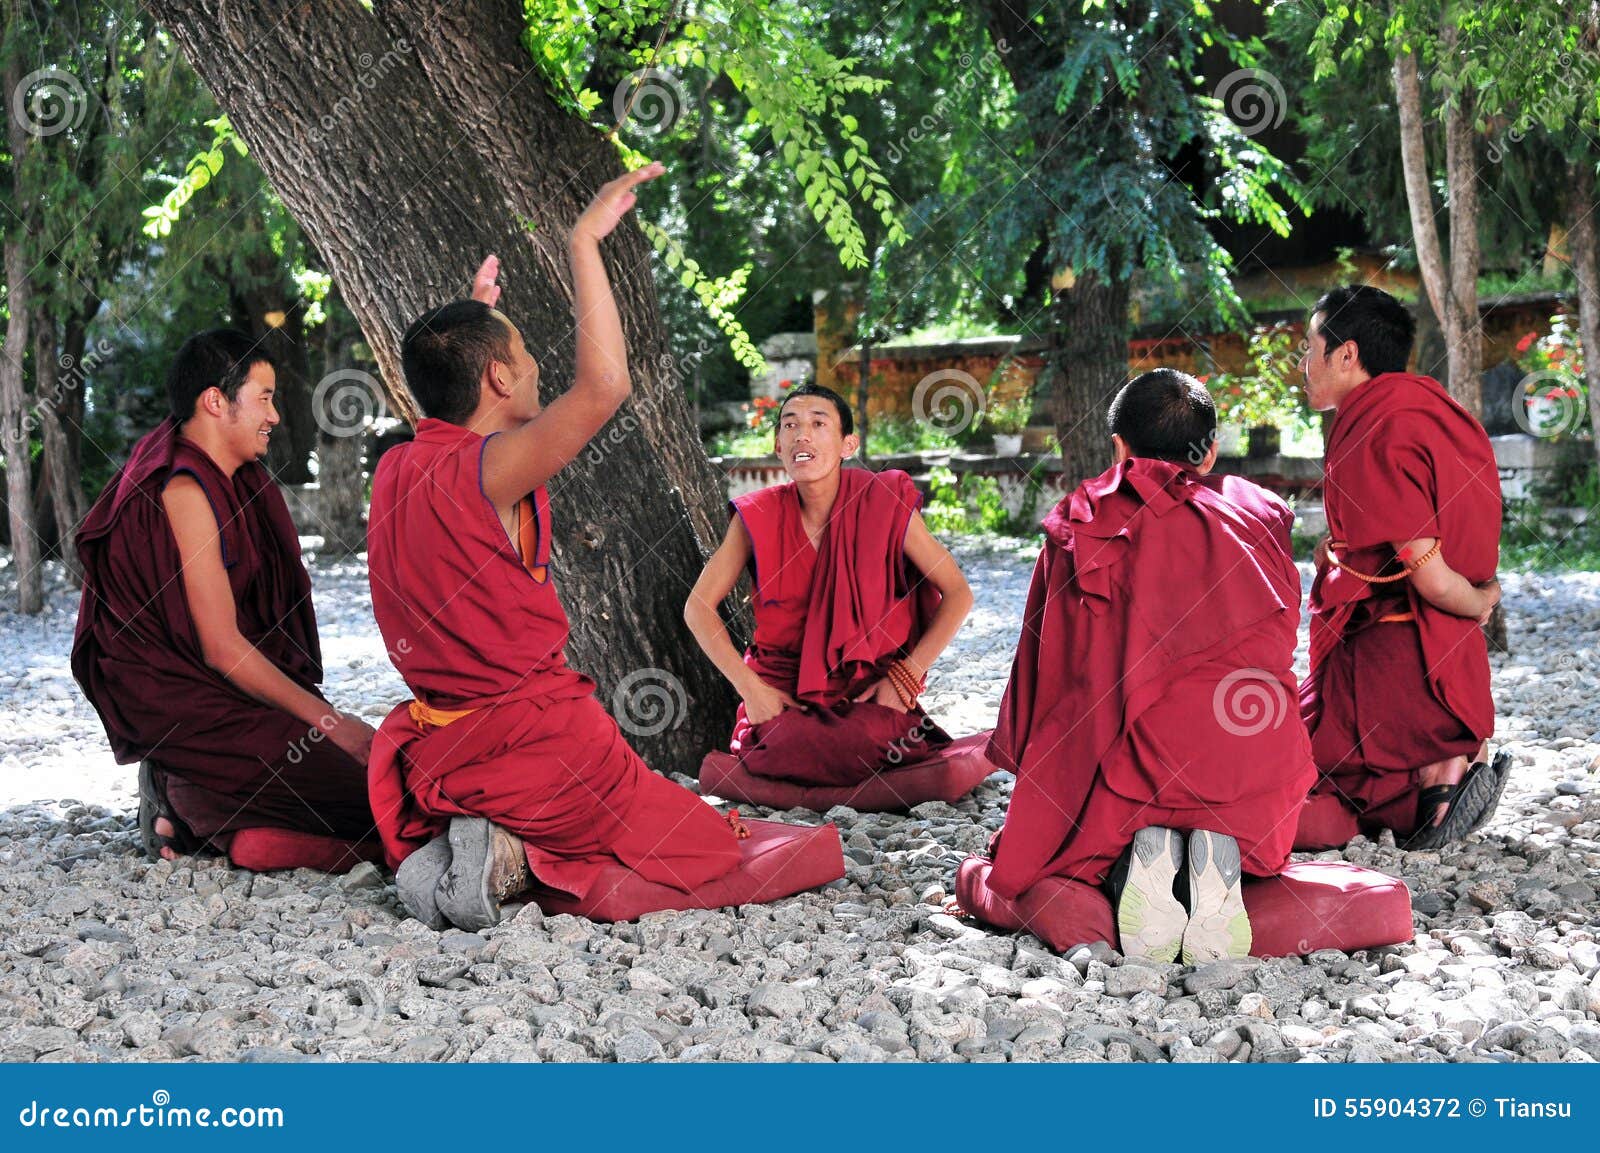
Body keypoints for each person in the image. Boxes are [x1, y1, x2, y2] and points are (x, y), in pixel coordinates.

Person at [368, 162, 824, 932]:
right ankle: (517, 855)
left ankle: (494, 835)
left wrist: (477, 317)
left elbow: (461, 411)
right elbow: (605, 385)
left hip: (443, 742)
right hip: (540, 742)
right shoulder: (489, 471)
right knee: (732, 849)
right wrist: (584, 240)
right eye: (524, 355)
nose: (542, 364)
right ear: (500, 377)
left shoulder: (399, 468)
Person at [981, 369, 1317, 962]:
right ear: (1208, 453)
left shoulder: (1086, 526)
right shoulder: (1260, 519)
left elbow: (1050, 681)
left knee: (1025, 859)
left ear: (1118, 448)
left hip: (1126, 784)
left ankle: (1142, 854)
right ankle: (1215, 856)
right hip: (1256, 791)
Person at [71, 330, 379, 870]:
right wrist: (332, 724)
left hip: (227, 700)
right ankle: (190, 787)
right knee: (375, 785)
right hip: (193, 707)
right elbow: (220, 648)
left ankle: (207, 805)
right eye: (264, 397)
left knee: (369, 778)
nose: (275, 416)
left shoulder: (231, 479)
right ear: (216, 401)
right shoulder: (185, 491)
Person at [1293, 285, 1508, 852]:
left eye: (1308, 349)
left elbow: (1427, 571)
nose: (1302, 365)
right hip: (1437, 647)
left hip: (1398, 655)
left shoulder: (1375, 425)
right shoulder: (1424, 406)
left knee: (1292, 768)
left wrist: (1481, 601)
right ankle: (1440, 771)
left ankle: (1436, 779)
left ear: (1346, 354)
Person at [684, 384, 975, 790]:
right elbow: (698, 607)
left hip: (866, 691)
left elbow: (958, 593)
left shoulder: (883, 501)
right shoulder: (760, 514)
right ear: (777, 444)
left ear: (847, 444)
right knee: (783, 742)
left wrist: (907, 674)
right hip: (783, 692)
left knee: (870, 738)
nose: (802, 434)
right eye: (790, 425)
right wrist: (750, 689)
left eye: (818, 424)